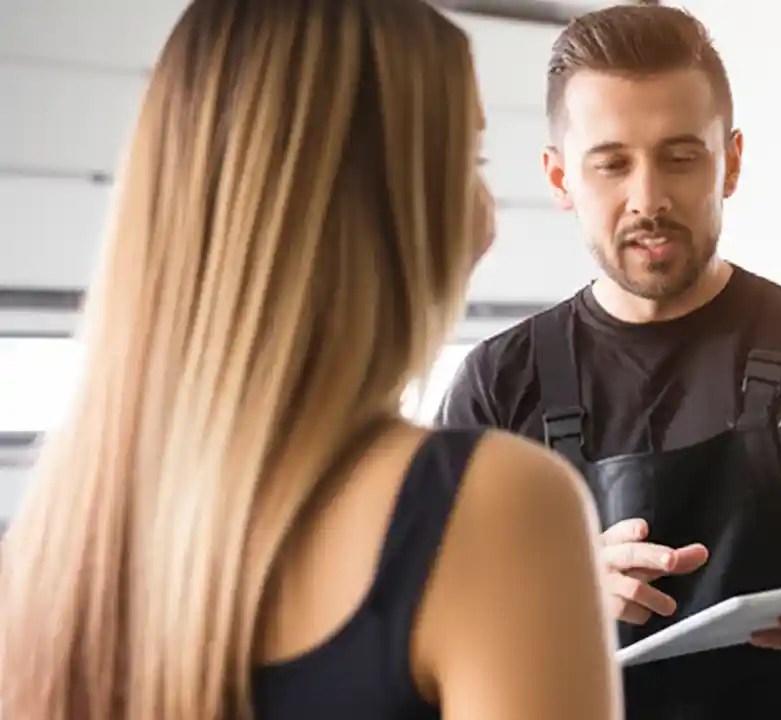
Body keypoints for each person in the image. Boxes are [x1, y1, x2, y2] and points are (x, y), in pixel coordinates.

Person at [0, 2, 621, 719]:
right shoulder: (492, 507)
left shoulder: (41, 560)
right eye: (468, 163)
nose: (487, 221)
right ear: (381, 203)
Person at [437, 4, 781, 718]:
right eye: (612, 164)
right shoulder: (498, 380)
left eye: (681, 157)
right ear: (560, 178)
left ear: (733, 162)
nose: (649, 199)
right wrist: (554, 594)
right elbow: (433, 604)